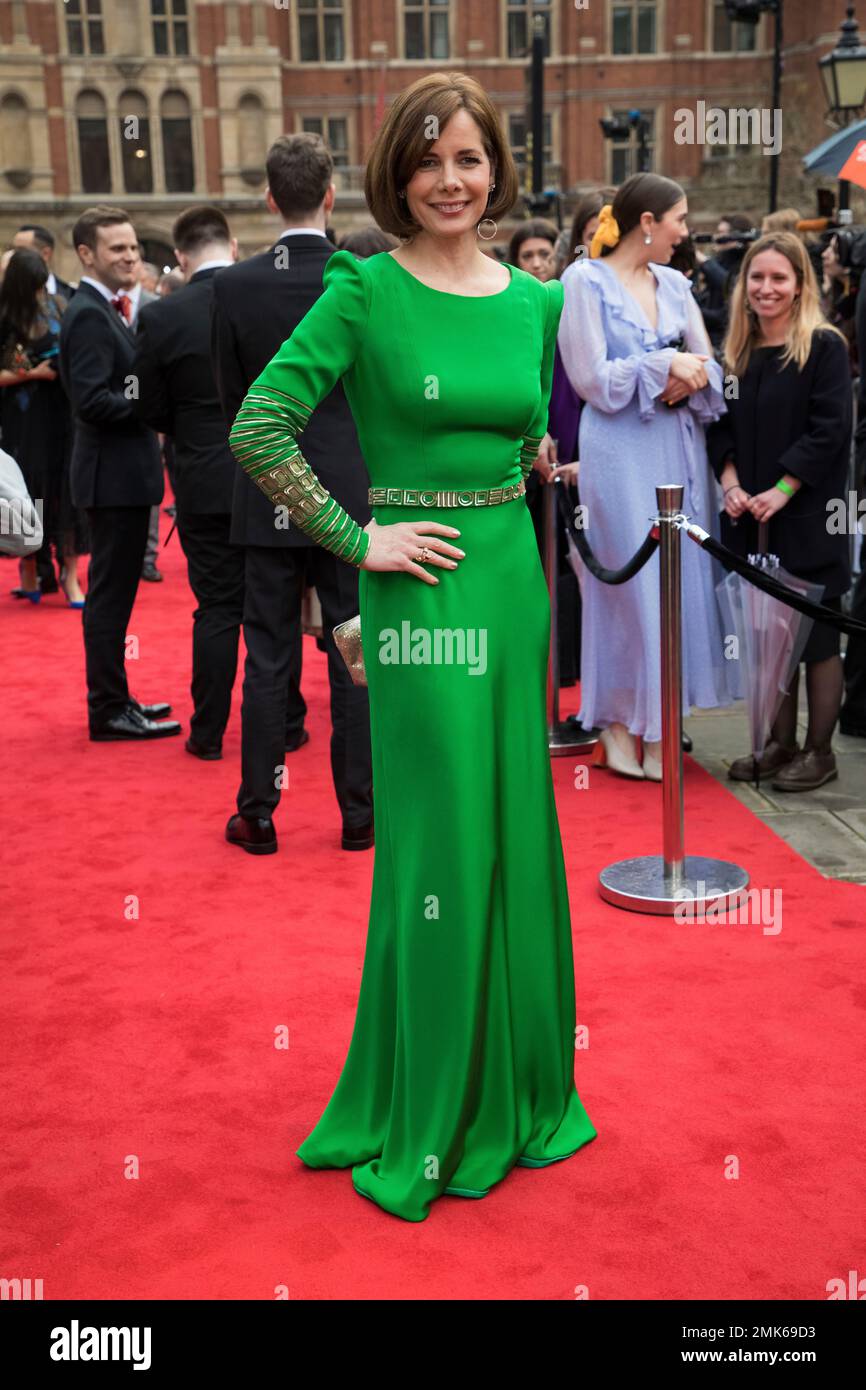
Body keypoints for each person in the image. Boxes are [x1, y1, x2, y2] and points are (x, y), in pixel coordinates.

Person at [227, 71, 597, 1222]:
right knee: (439, 848)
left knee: (513, 835)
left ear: (497, 173)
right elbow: (259, 427)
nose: (451, 178)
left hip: (510, 587)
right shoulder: (363, 290)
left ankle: (519, 1086)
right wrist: (357, 541)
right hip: (422, 599)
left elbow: (529, 429)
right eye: (431, 158)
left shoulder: (534, 304)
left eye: (471, 159)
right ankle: (429, 1109)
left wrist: (528, 460)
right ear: (398, 170)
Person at [212, 133, 374, 855]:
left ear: (270, 198)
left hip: (265, 493)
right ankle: (361, 816)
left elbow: (234, 406)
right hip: (347, 493)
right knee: (355, 654)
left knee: (268, 656)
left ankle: (260, 813)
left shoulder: (234, 285)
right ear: (331, 194)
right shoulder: (361, 279)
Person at [558, 173, 732, 780]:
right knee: (625, 589)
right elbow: (591, 379)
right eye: (679, 218)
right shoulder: (583, 280)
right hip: (617, 451)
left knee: (676, 585)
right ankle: (615, 727)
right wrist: (664, 365)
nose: (686, 232)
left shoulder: (679, 283)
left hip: (676, 444)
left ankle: (661, 730)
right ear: (648, 222)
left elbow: (708, 360)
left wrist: (691, 375)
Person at [707, 232, 852, 791]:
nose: (766, 289)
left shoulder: (823, 346)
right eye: (757, 278)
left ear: (799, 286)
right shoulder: (738, 353)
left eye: (779, 279)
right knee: (770, 640)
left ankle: (820, 752)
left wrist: (784, 489)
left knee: (815, 639)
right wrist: (731, 481)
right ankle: (779, 743)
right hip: (750, 520)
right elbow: (719, 426)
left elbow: (829, 429)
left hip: (808, 517)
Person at [59, 205, 180, 742]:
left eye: (133, 246)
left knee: (116, 596)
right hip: (111, 480)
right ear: (87, 254)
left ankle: (117, 698)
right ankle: (107, 708)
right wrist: (150, 402)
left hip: (122, 478)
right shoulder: (88, 312)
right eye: (118, 249)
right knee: (109, 599)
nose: (131, 256)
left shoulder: (109, 307)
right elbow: (89, 401)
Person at [134, 206, 244, 760]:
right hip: (276, 475)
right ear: (234, 243)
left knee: (219, 609)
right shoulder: (263, 297)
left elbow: (148, 405)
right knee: (273, 609)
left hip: (202, 478)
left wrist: (189, 438)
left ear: (179, 256)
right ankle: (286, 723)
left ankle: (208, 733)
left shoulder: (161, 315)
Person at [0, 248, 86, 604]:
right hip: (22, 418)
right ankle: (30, 569)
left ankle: (70, 575)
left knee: (66, 489)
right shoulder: (4, 316)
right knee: (30, 489)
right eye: (33, 286)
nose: (39, 292)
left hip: (62, 411)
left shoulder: (59, 306)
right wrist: (30, 373)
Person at [12, 224, 76, 301]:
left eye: (21, 250)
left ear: (46, 253)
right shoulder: (7, 294)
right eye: (13, 250)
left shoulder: (71, 295)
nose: (13, 256)